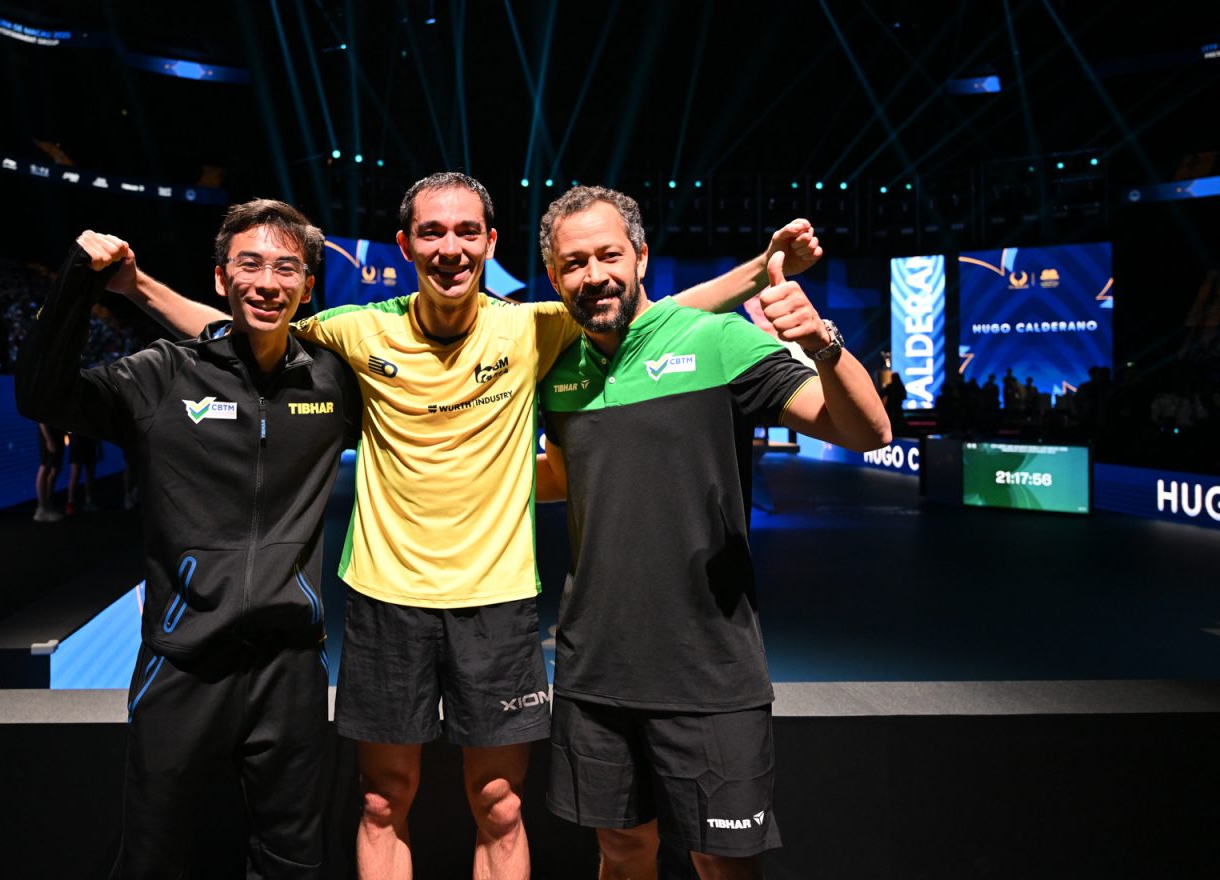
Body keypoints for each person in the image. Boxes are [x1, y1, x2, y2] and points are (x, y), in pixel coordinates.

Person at [96, 172, 824, 880]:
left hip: (497, 605)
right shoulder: (355, 330)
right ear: (406, 245)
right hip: (387, 601)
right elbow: (241, 327)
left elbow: (652, 309)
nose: (451, 247)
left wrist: (760, 272)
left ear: (490, 241)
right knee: (382, 802)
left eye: (467, 231)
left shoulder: (530, 328)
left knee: (500, 807)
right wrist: (138, 288)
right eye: (433, 232)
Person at [533, 186, 889, 880]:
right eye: (573, 263)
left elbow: (866, 431)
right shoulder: (558, 369)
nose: (594, 274)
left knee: (722, 863)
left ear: (641, 256)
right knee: (621, 851)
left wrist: (822, 343)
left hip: (709, 671)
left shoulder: (720, 339)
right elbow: (564, 474)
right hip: (594, 668)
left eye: (609, 254)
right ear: (553, 276)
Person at [16, 200, 361, 879]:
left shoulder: (332, 381)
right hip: (182, 664)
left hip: (289, 668)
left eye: (286, 268)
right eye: (250, 265)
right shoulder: (162, 375)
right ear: (220, 278)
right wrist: (79, 280)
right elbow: (41, 396)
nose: (267, 282)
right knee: (154, 858)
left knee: (293, 860)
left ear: (307, 288)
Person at [34, 422, 65, 522]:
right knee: (45, 468)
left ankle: (48, 504)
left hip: (58, 435)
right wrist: (49, 439)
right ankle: (41, 509)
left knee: (55, 469)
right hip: (49, 436)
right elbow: (40, 418)